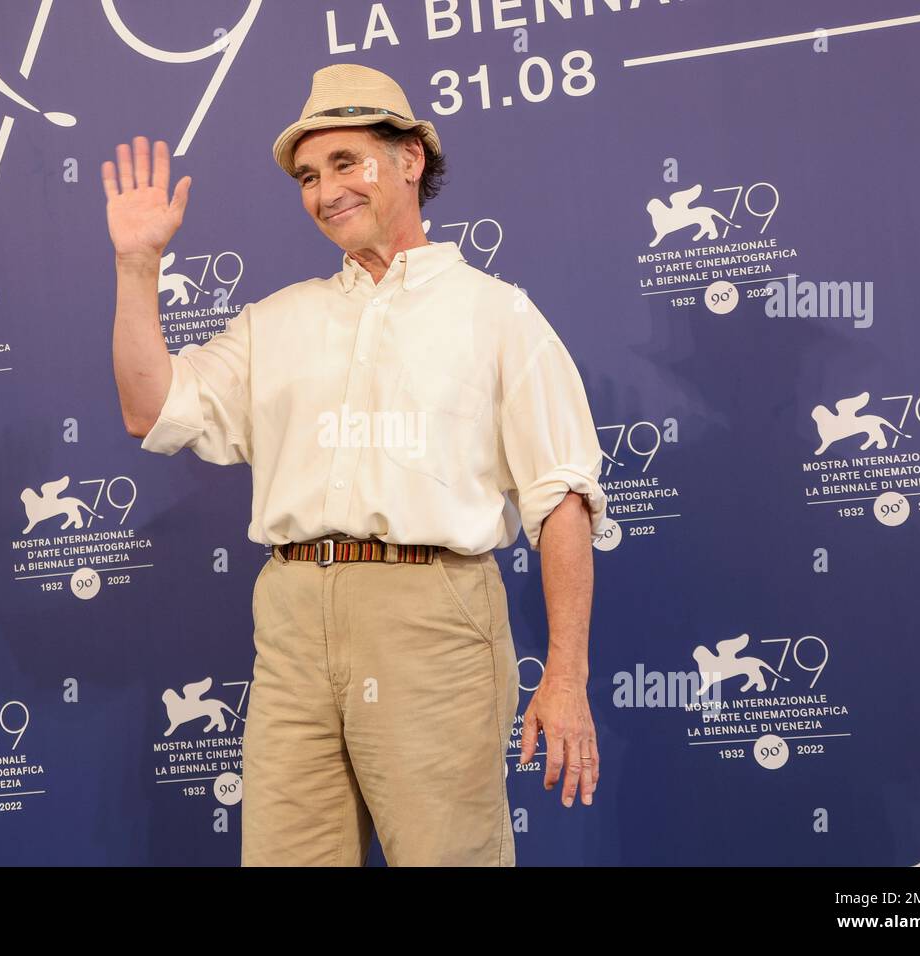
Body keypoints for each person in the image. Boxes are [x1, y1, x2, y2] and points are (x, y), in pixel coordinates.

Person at [103, 63, 609, 866]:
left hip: (433, 621)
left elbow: (563, 503)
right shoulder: (277, 320)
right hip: (294, 624)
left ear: (410, 159)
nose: (324, 190)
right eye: (309, 175)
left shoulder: (497, 314)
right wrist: (137, 265)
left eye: (346, 163)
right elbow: (149, 407)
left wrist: (568, 677)